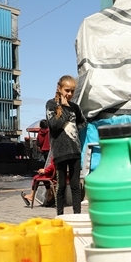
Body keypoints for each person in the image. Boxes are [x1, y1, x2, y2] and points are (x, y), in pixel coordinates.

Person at [45, 76, 86, 215]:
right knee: (61, 185)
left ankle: (77, 215)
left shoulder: (75, 107)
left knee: (75, 186)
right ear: (59, 88)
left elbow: (83, 122)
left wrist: (74, 129)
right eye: (67, 90)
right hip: (60, 152)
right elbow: (55, 125)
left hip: (75, 150)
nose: (69, 94)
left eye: (72, 91)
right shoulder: (51, 105)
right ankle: (60, 216)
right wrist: (65, 109)